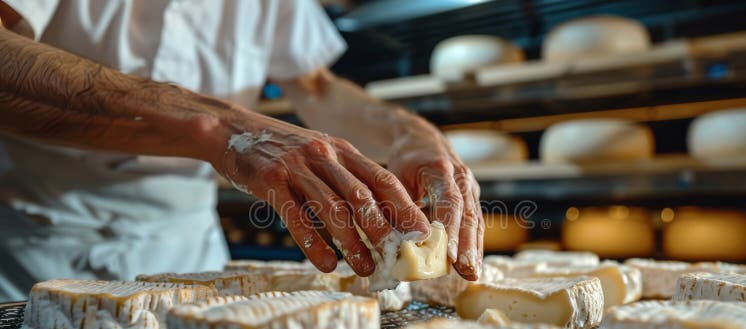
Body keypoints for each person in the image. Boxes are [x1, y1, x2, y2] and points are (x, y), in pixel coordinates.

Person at [0, 0, 484, 301]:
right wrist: (218, 127)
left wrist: (409, 132)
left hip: (190, 253)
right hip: (35, 251)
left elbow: (316, 86)